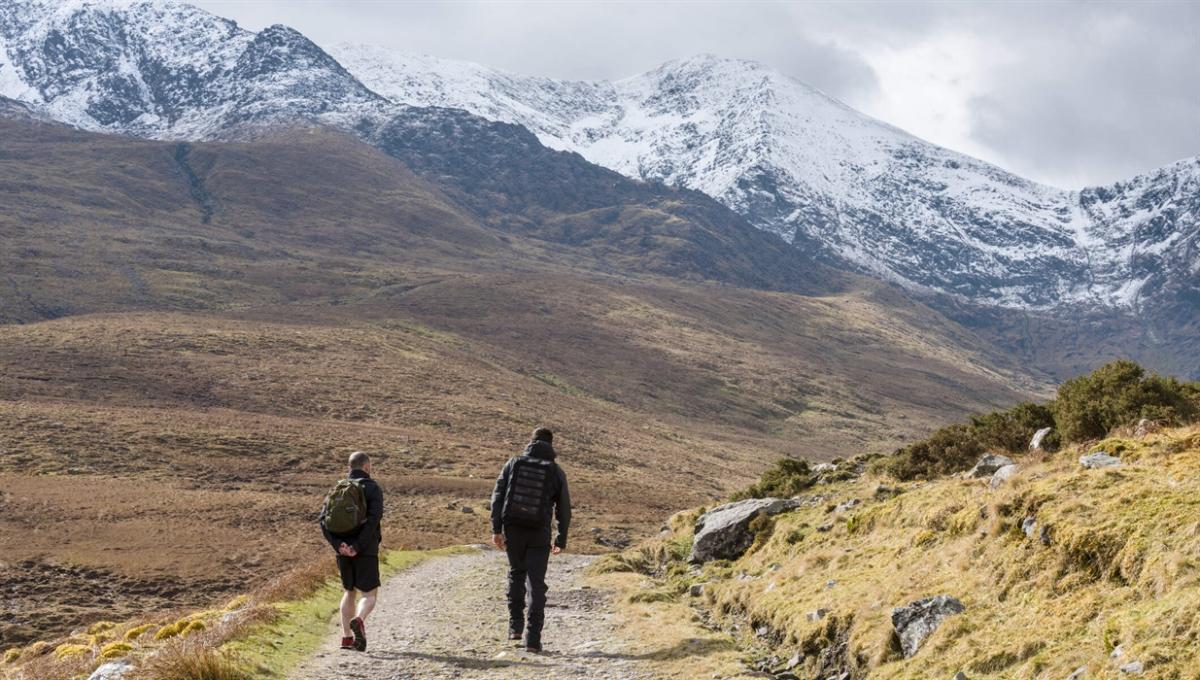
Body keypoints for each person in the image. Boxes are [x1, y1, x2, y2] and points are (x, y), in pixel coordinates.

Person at [490, 427, 571, 653]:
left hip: (513, 528)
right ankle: (532, 639)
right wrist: (561, 538)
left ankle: (515, 627)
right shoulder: (555, 471)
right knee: (536, 583)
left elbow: (497, 496)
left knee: (516, 572)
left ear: (531, 442)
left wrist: (496, 529)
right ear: (551, 445)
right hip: (539, 532)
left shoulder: (513, 463)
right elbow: (563, 509)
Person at [319, 451, 384, 652]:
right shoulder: (372, 488)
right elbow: (373, 521)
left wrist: (339, 545)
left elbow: (323, 521)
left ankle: (347, 638)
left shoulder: (337, 489)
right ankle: (360, 619)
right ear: (366, 466)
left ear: (350, 467)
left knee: (349, 592)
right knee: (369, 594)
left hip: (342, 552)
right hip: (365, 550)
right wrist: (357, 546)